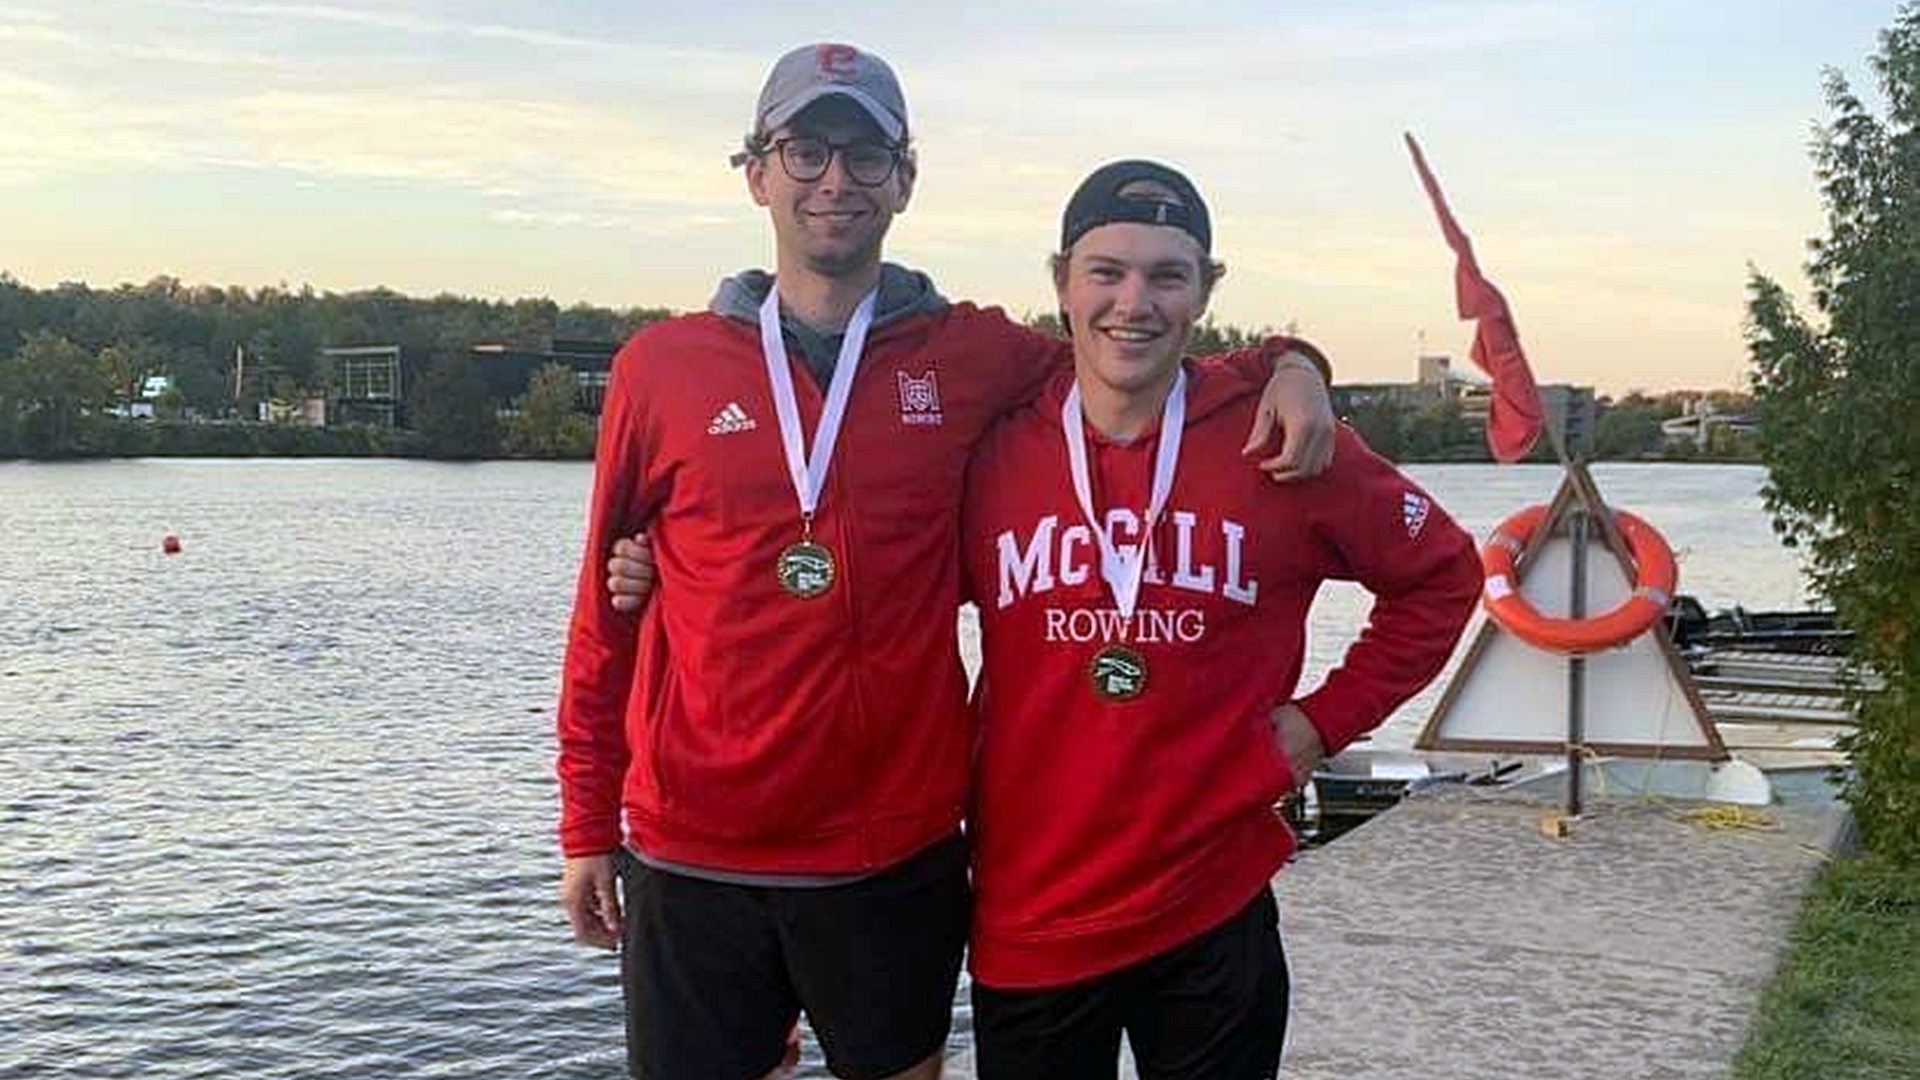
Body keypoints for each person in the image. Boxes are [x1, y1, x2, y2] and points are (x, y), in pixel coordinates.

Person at [557, 44, 1338, 1080]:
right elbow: (600, 617)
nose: (836, 179)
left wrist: (1292, 363)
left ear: (906, 179)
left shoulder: (972, 355)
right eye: (806, 149)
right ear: (755, 172)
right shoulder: (659, 369)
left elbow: (1128, 343)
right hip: (689, 845)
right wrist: (584, 819)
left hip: (891, 850)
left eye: (868, 154)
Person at [955, 161, 1483, 1079]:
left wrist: (1324, 720)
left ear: (1207, 289)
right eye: (1106, 271)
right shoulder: (989, 446)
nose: (1135, 303)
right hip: (1031, 911)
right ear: (1060, 282)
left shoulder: (1281, 438)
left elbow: (1442, 576)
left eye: (1168, 275)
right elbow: (863, 575)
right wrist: (649, 566)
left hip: (1212, 904)